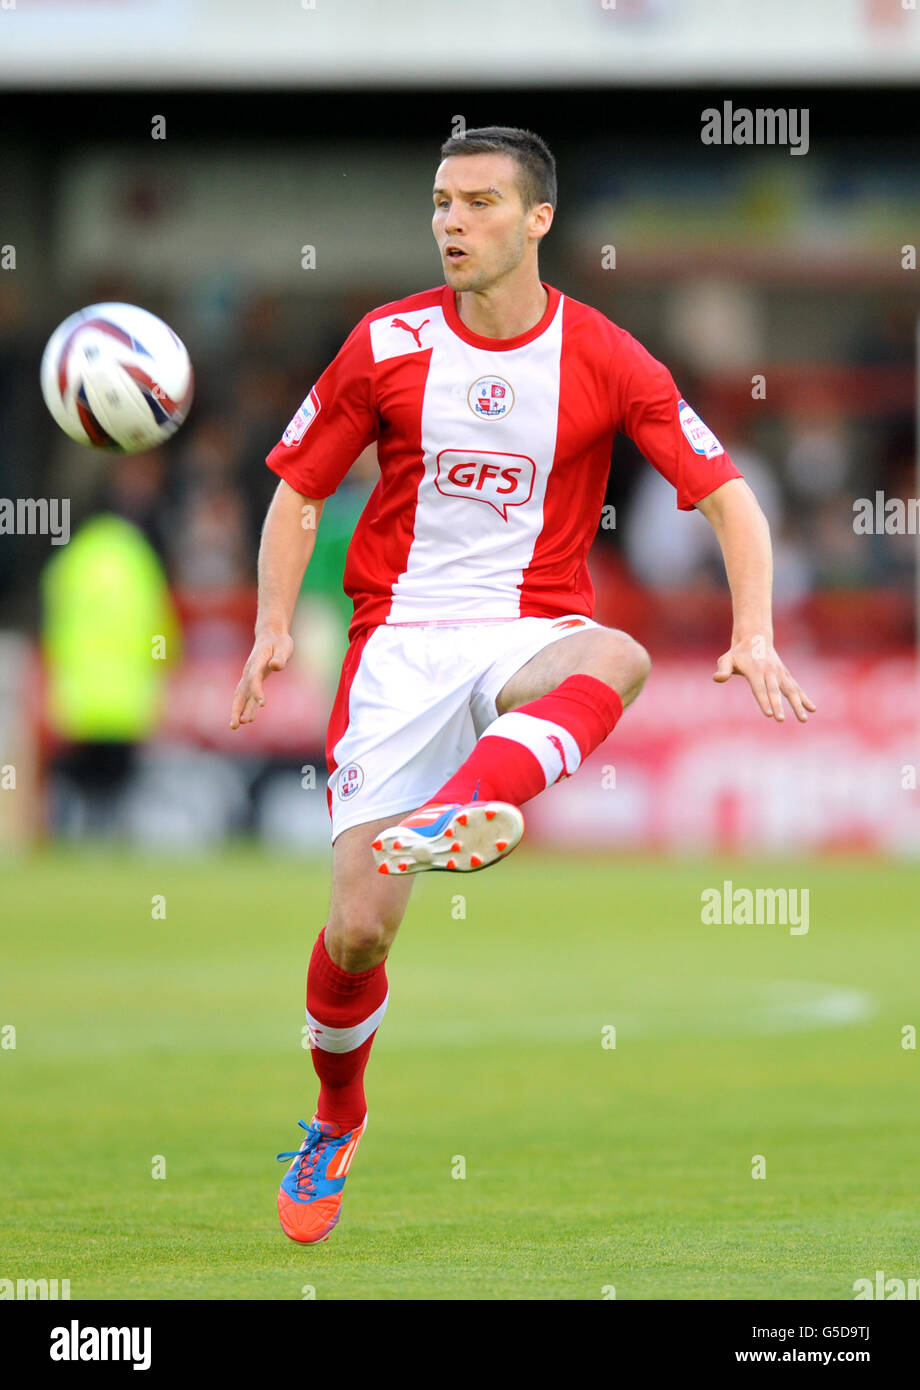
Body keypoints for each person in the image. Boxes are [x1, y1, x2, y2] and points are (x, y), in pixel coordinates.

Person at [229, 126, 816, 1245]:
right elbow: (298, 490)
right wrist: (268, 625)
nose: (452, 222)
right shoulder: (385, 340)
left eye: (480, 203)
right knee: (356, 931)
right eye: (441, 202)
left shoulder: (602, 354)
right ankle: (333, 1119)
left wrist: (752, 628)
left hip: (526, 626)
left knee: (621, 655)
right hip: (395, 645)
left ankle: (469, 803)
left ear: (537, 220)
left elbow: (725, 493)